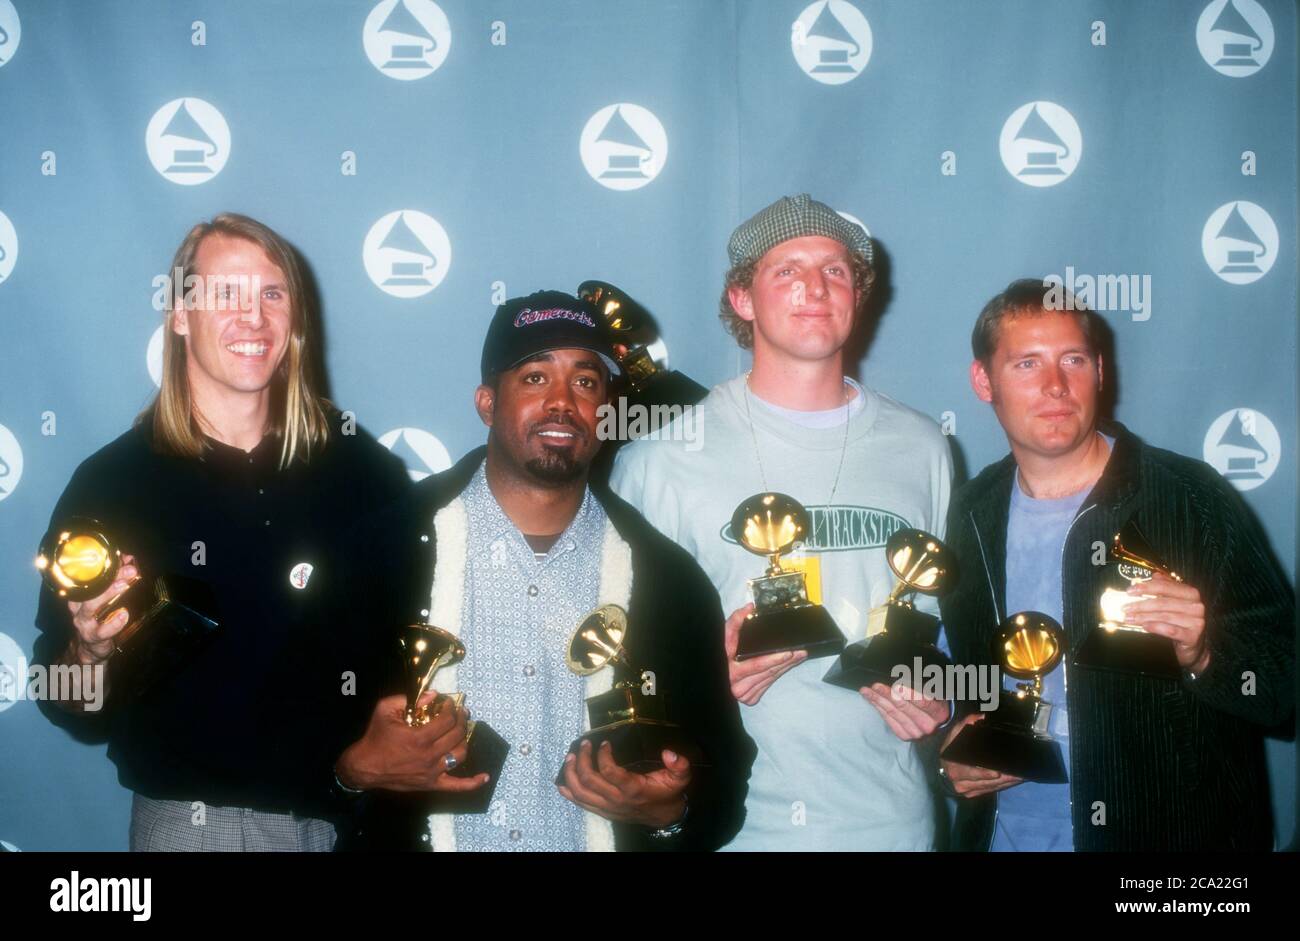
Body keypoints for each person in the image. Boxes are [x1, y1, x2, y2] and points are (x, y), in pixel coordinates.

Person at [31, 213, 411, 851]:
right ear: (180, 316)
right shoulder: (114, 482)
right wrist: (89, 656)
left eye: (271, 294)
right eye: (225, 294)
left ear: (296, 320)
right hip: (197, 827)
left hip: (352, 818)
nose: (253, 317)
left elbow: (409, 635)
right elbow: (57, 690)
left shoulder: (362, 468)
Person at [333, 290, 754, 851]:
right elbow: (294, 735)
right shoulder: (380, 554)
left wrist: (668, 809)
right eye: (535, 378)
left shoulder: (669, 580)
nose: (562, 402)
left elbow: (721, 772)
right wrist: (355, 769)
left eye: (585, 382)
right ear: (486, 403)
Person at [611, 194, 954, 850]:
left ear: (858, 292)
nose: (814, 288)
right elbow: (620, 667)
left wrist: (936, 695)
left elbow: (939, 631)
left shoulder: (923, 447)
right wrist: (700, 675)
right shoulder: (660, 459)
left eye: (834, 270)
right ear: (743, 299)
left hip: (895, 826)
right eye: (786, 270)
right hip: (733, 829)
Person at [938, 278, 1295, 851]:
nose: (1055, 386)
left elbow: (1281, 687)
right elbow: (961, 677)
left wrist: (1204, 655)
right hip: (1006, 837)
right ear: (984, 381)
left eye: (1072, 360)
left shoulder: (1188, 500)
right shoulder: (969, 513)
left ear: (1099, 371)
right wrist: (952, 748)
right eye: (1027, 363)